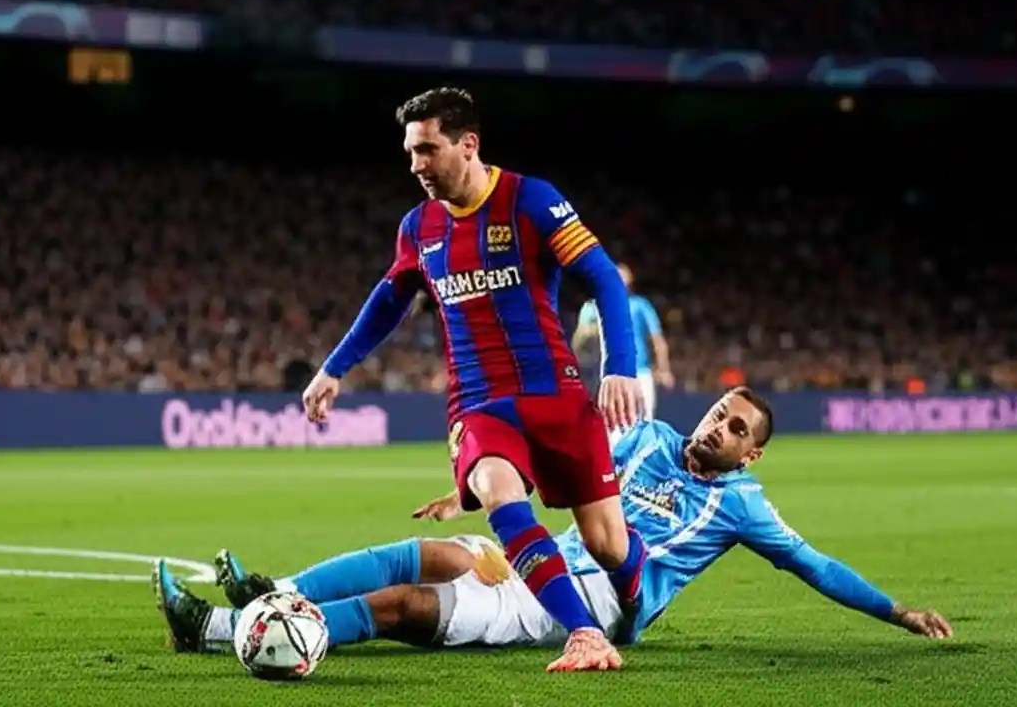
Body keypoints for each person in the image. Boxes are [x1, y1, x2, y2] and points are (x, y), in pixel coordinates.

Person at [152, 388, 954, 663]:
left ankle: (217, 631)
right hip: (541, 556)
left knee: (403, 605)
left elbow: (814, 566)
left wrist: (896, 611)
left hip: (586, 606)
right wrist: (475, 496)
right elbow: (562, 466)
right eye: (720, 413)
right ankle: (270, 598)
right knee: (415, 552)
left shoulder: (742, 506)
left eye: (738, 429)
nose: (719, 428)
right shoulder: (644, 438)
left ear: (754, 454)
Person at [299, 87, 645, 671]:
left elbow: (604, 278)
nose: (416, 166)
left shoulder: (530, 200)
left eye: (427, 150)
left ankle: (633, 598)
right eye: (410, 153)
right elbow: (389, 301)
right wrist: (334, 367)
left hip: (556, 397)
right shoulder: (419, 227)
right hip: (479, 406)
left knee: (607, 544)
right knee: (496, 490)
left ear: (468, 144)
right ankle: (584, 632)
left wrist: (620, 368)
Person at [572, 263, 674, 419]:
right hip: (605, 375)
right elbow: (579, 341)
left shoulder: (641, 305)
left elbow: (657, 339)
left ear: (630, 281)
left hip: (640, 372)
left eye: (623, 277)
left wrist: (664, 369)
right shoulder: (592, 307)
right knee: (610, 424)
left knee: (644, 422)